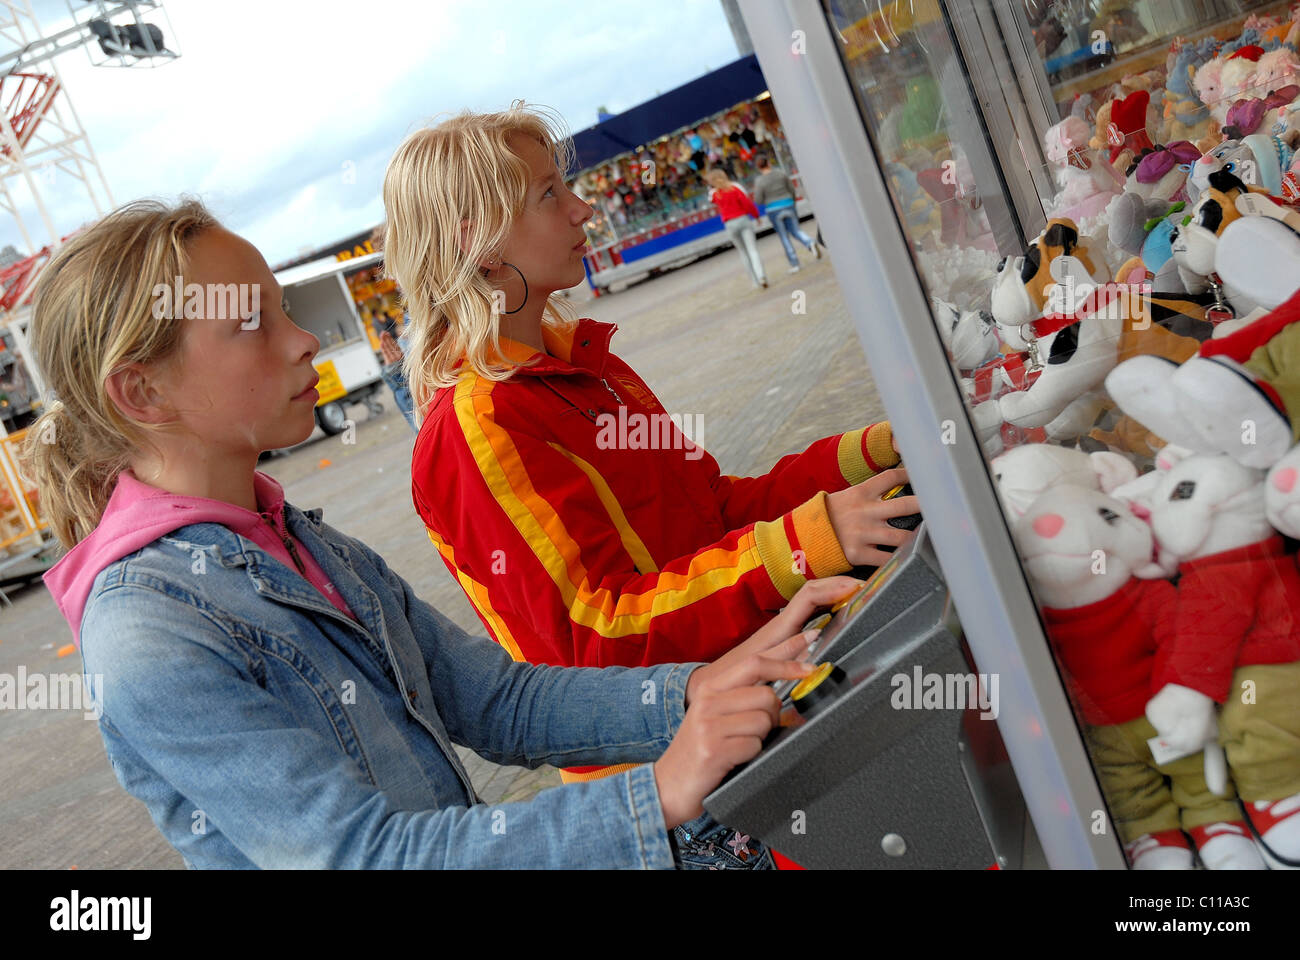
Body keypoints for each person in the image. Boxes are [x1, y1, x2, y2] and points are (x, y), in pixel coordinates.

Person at [21, 197, 861, 869]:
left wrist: (694, 692)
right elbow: (365, 855)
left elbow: (498, 701)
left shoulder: (297, 539)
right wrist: (660, 792)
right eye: (252, 324)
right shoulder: (148, 635)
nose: (305, 340)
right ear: (141, 394)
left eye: (284, 311)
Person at [382, 104, 919, 866]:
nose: (582, 208)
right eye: (547, 195)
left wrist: (873, 451)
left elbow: (718, 509)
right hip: (692, 783)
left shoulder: (584, 366)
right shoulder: (477, 423)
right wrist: (805, 544)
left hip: (752, 701)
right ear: (478, 238)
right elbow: (589, 639)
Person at [752, 155, 823, 273]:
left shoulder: (759, 181)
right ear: (768, 163)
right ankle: (810, 242)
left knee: (784, 236)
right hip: (788, 203)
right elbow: (791, 188)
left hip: (773, 209)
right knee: (795, 230)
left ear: (758, 167)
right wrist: (792, 201)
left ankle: (795, 263)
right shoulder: (780, 173)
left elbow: (758, 200)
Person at [703, 167, 768, 289]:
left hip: (730, 224)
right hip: (743, 219)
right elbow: (747, 203)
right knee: (752, 250)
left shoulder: (714, 194)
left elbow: (710, 199)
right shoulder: (735, 187)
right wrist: (756, 216)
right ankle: (761, 275)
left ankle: (754, 282)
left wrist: (712, 187)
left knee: (743, 252)